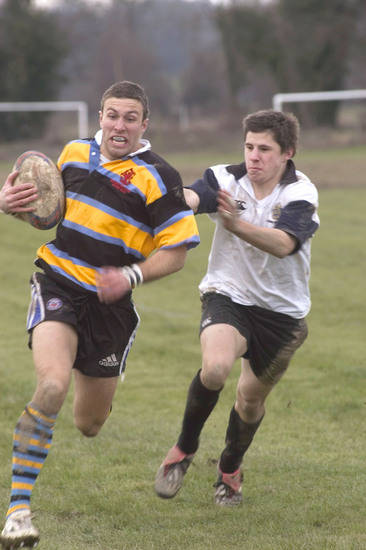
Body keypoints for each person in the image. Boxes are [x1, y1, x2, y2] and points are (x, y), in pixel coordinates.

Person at [0, 80, 199, 549]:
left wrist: (129, 278)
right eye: (112, 115)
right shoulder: (71, 153)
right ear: (101, 117)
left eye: (130, 117)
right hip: (58, 282)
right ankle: (17, 511)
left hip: (110, 307)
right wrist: (9, 205)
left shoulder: (159, 176)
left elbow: (177, 253)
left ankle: (81, 383)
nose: (119, 125)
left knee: (90, 424)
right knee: (52, 383)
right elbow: (43, 210)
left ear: (144, 125)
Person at [154, 109, 319, 506]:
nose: (254, 156)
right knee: (214, 368)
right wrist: (176, 200)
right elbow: (196, 196)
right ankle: (183, 451)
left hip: (282, 314)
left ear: (287, 153)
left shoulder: (300, 193)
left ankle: (229, 468)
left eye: (265, 149)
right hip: (228, 295)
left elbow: (283, 244)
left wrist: (236, 224)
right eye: (249, 146)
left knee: (249, 400)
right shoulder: (225, 179)